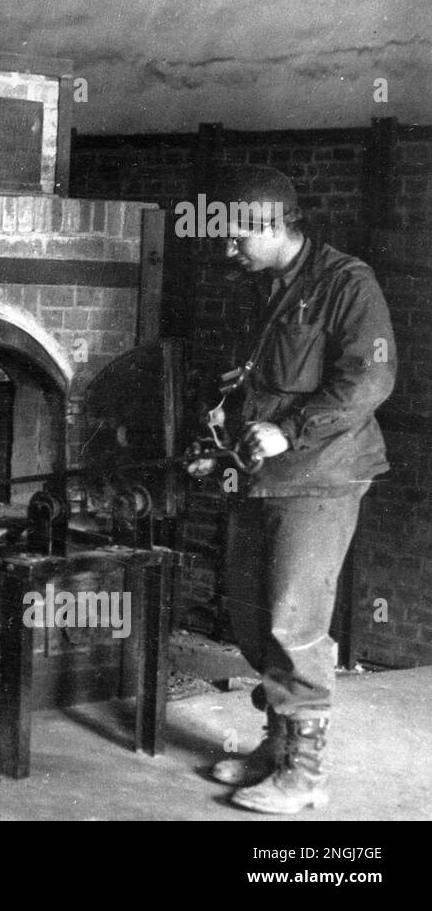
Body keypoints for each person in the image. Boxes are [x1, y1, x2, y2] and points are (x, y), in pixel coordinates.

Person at [197, 166, 395, 814]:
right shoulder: (268, 284)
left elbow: (368, 381)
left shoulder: (346, 283)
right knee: (253, 614)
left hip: (322, 475)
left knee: (294, 619)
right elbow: (275, 373)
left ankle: (305, 774)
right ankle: (277, 746)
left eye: (237, 238)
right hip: (265, 477)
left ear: (276, 226)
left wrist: (289, 430)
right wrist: (230, 405)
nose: (229, 249)